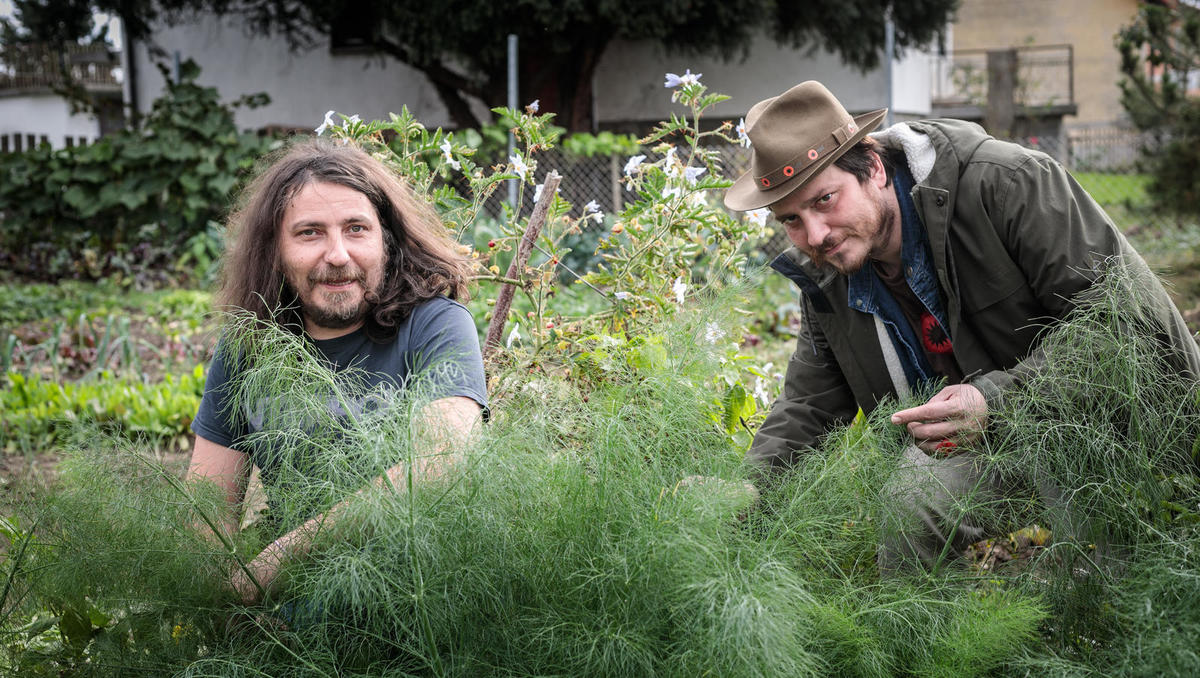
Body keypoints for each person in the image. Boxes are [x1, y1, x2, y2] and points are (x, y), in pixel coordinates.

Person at [724, 81, 1200, 568]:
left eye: (824, 199)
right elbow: (809, 403)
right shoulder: (829, 275)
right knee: (910, 505)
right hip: (986, 443)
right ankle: (930, 621)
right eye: (791, 219)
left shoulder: (1008, 183)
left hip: (1105, 420)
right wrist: (746, 489)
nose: (814, 235)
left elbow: (1123, 329)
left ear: (873, 168)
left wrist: (993, 400)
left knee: (1113, 576)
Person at [187, 138, 488, 602]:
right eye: (310, 233)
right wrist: (218, 606)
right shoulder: (250, 343)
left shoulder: (435, 325)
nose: (338, 255)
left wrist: (280, 558)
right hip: (300, 612)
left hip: (423, 601)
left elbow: (443, 461)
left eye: (356, 229)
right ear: (275, 251)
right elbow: (206, 512)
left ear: (386, 239)